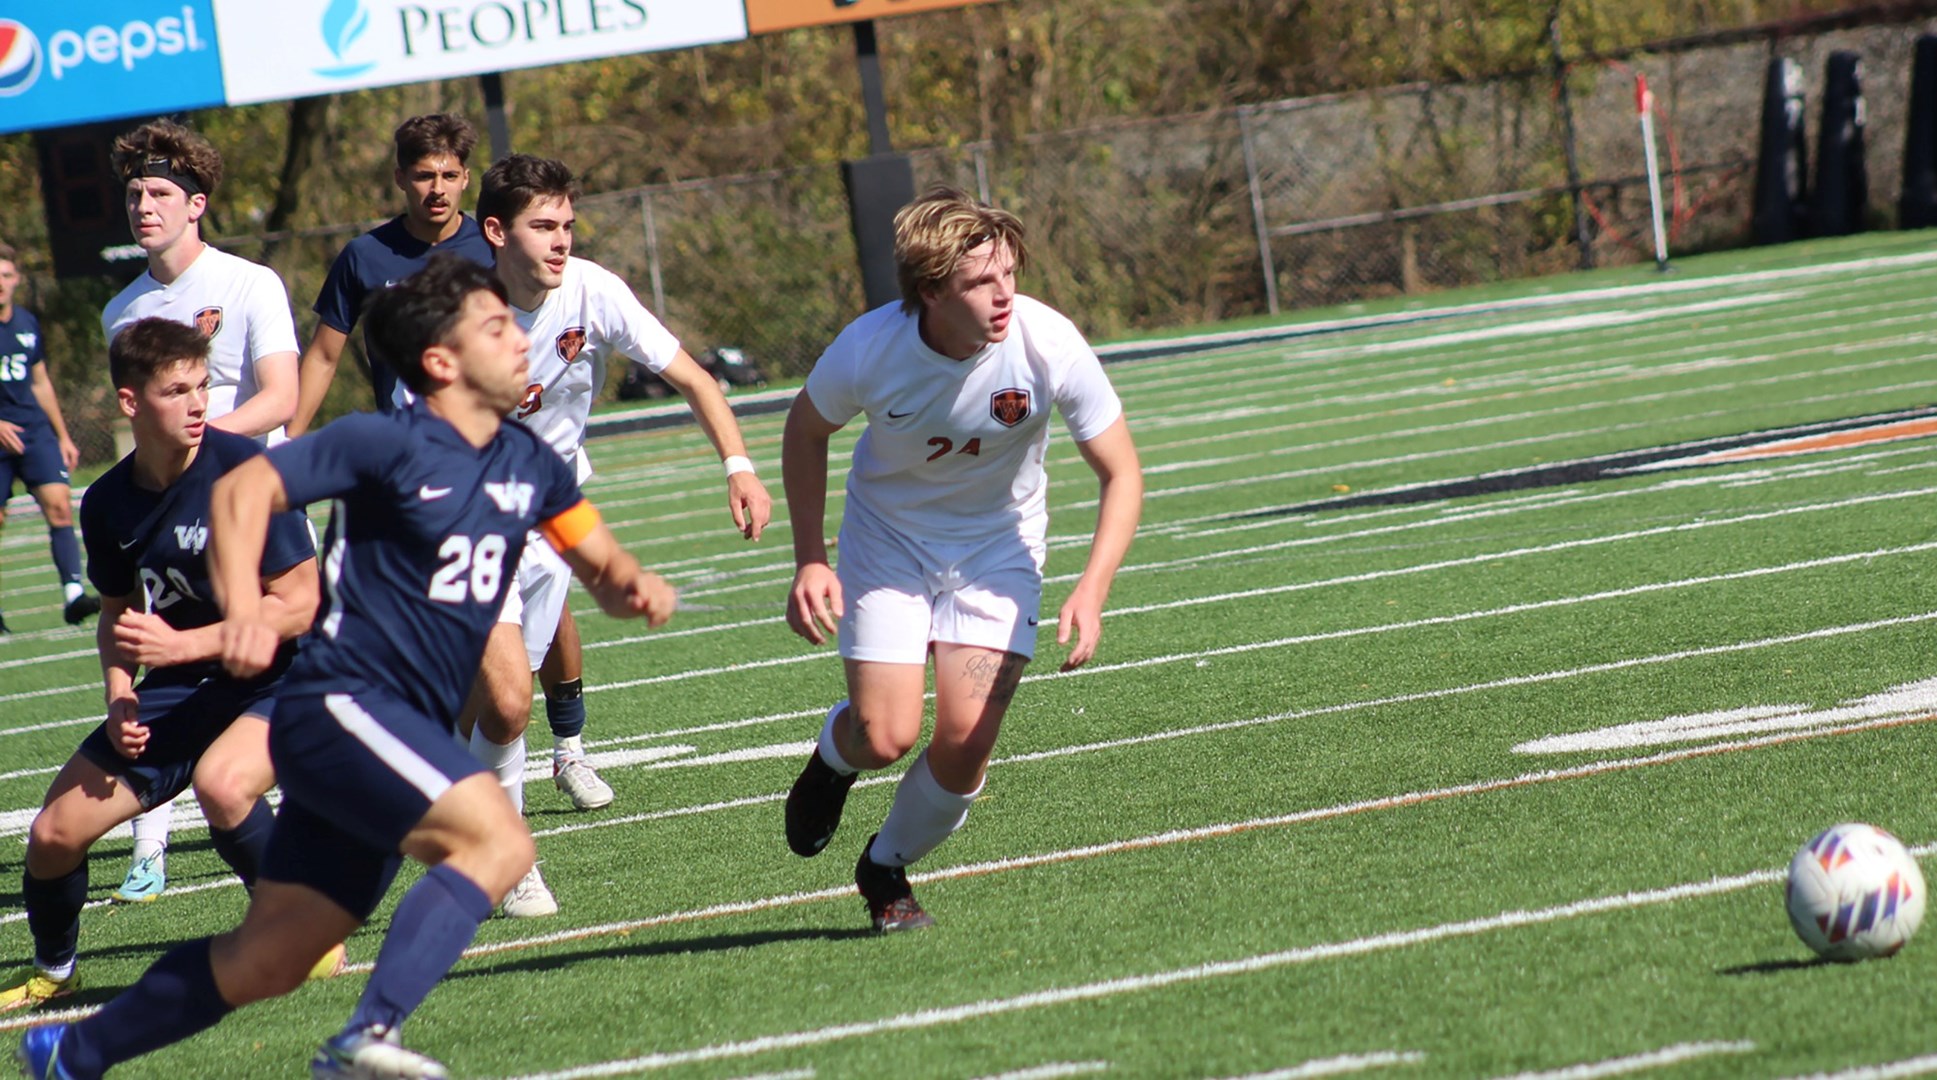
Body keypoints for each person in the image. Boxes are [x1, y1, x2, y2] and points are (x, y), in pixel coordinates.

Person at [15, 255, 677, 1080]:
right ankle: (368, 1038)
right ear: (440, 361)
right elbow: (239, 494)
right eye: (498, 327)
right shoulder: (381, 442)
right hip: (342, 703)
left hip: (383, 729)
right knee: (499, 841)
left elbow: (598, 560)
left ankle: (71, 1053)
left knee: (270, 960)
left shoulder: (530, 463)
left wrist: (632, 586)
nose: (522, 341)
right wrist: (247, 612)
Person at [780, 186, 1144, 931]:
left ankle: (885, 868)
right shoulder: (870, 347)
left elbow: (1122, 473)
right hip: (889, 544)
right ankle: (834, 756)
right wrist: (810, 558)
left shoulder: (1048, 343)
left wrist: (1092, 589)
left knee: (966, 741)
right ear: (930, 292)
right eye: (980, 282)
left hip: (997, 552)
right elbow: (804, 431)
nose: (1003, 293)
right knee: (885, 737)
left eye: (1009, 272)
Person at [454, 154, 771, 916]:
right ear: (495, 231)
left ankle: (463, 823)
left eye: (567, 224)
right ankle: (507, 853)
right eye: (543, 226)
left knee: (488, 713)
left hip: (558, 515)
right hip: (469, 521)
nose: (561, 241)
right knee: (504, 704)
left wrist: (738, 466)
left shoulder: (593, 290)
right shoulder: (453, 313)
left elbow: (694, 377)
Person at [0, 318, 332, 1014]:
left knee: (225, 786)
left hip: (286, 674)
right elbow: (119, 611)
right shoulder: (110, 501)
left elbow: (300, 604)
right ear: (130, 403)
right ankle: (55, 972)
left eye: (202, 385)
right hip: (185, 688)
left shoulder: (244, 468)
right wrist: (120, 695)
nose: (197, 404)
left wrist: (186, 646)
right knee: (52, 836)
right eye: (177, 390)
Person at [100, 118, 304, 905]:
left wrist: (204, 447)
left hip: (255, 513)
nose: (143, 206)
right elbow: (138, 420)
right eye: (133, 194)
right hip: (166, 524)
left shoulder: (249, 283)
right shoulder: (122, 309)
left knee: (260, 667)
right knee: (158, 657)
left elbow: (280, 398)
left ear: (198, 206)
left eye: (158, 193)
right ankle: (149, 843)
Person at [288, 113, 494, 435]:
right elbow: (325, 357)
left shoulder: (494, 247)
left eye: (449, 176)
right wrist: (289, 438)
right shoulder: (365, 255)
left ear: (466, 178)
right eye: (424, 176)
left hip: (486, 437)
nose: (438, 189)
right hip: (405, 443)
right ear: (400, 178)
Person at [0, 242, 97, 632]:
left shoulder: (26, 323)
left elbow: (40, 383)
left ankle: (74, 593)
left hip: (34, 431)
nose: (0, 284)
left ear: (17, 280)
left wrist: (63, 436)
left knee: (59, 506)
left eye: (6, 275)